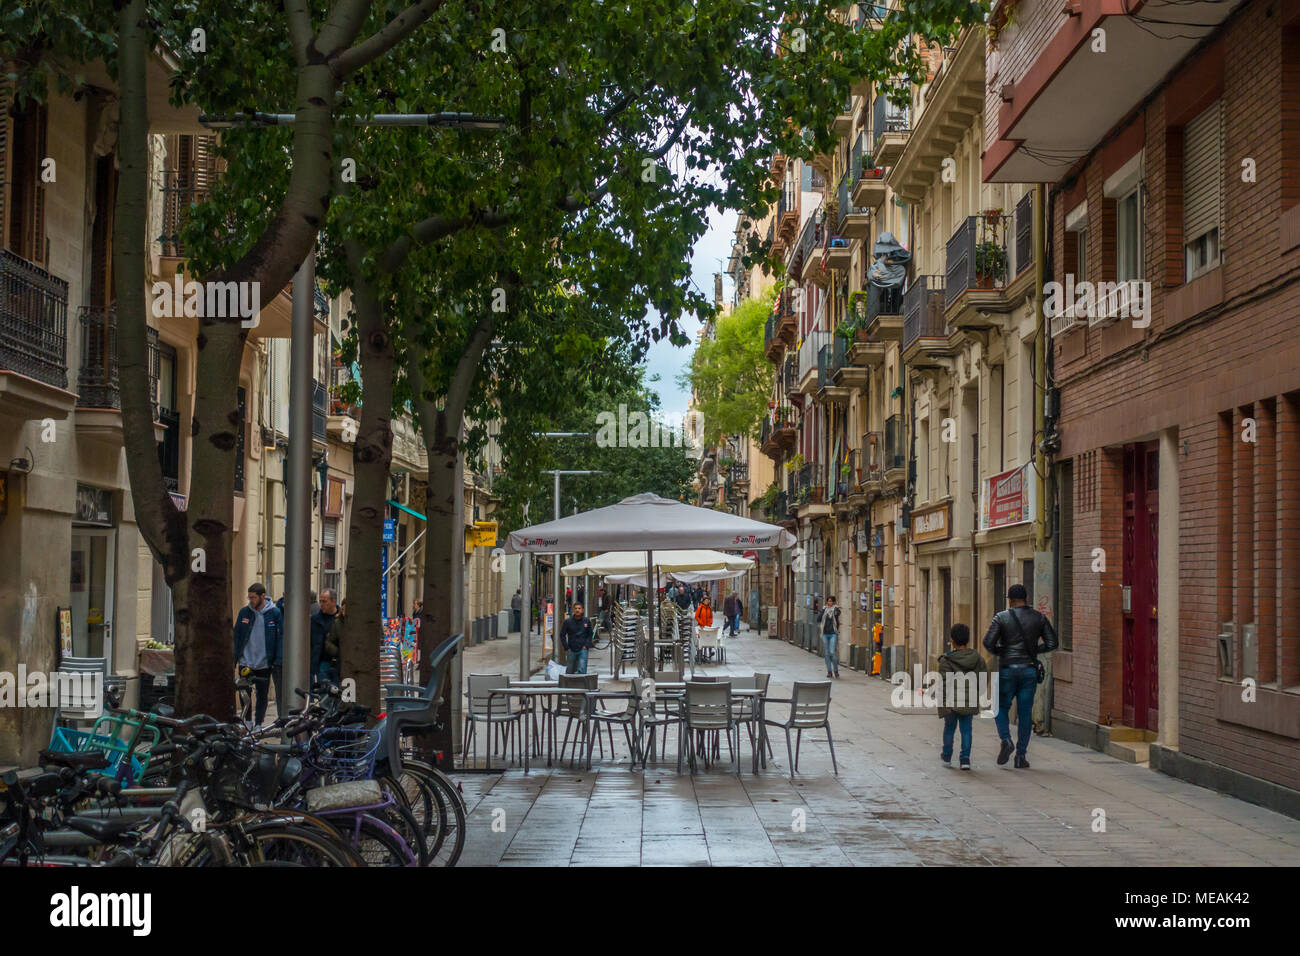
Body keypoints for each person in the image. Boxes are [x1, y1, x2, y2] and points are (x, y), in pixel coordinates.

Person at [983, 584, 1058, 768]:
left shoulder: (1001, 617)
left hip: (1008, 669)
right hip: (1029, 670)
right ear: (1026, 598)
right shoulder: (1039, 618)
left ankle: (1006, 739)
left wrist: (1002, 652)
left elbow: (988, 642)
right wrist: (1034, 651)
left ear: (1010, 599)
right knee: (1025, 713)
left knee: (1000, 707)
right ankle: (1020, 756)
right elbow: (1052, 642)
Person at [938, 623, 987, 771]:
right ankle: (965, 759)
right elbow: (983, 679)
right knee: (966, 729)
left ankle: (947, 756)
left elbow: (943, 684)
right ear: (968, 639)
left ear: (952, 640)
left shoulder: (946, 660)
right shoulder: (977, 658)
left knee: (949, 728)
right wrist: (977, 693)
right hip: (969, 700)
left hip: (952, 701)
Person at [233, 583, 283, 728]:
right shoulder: (244, 612)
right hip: (246, 661)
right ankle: (247, 720)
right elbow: (237, 635)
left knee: (262, 694)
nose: (251, 601)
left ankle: (259, 723)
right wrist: (235, 657)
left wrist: (277, 659)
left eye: (253, 598)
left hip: (264, 662)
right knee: (245, 694)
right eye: (249, 597)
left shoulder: (275, 613)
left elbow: (280, 638)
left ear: (263, 596)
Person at [309, 588, 339, 687]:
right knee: (324, 696)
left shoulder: (341, 619)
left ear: (333, 601)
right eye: (320, 601)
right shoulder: (314, 620)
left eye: (324, 601)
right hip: (321, 663)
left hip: (338, 663)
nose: (321, 604)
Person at [560, 602, 594, 674]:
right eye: (575, 608)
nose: (577, 610)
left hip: (583, 649)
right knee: (570, 670)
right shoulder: (567, 622)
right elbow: (562, 635)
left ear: (582, 610)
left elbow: (590, 634)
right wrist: (566, 647)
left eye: (579, 608)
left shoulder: (586, 621)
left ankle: (581, 684)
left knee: (582, 669)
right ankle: (569, 684)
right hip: (571, 649)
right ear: (573, 610)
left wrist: (586, 645)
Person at [818, 595, 841, 678]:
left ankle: (835, 670)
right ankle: (829, 671)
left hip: (833, 633)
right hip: (824, 634)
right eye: (828, 601)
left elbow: (837, 614)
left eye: (831, 601)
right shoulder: (825, 610)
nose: (829, 602)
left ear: (833, 602)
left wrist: (837, 608)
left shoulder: (835, 609)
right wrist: (823, 610)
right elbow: (819, 619)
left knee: (832, 652)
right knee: (827, 653)